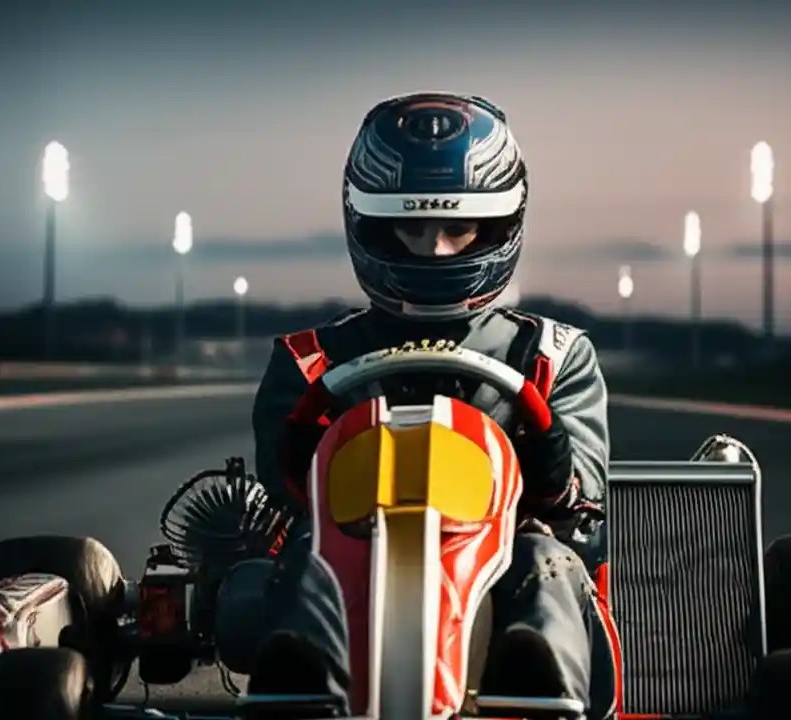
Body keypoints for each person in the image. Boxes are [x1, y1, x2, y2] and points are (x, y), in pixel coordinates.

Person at [246, 92, 618, 718]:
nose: (435, 251)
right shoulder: (311, 360)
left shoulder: (553, 356)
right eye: (411, 229)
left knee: (547, 556)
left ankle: (537, 688)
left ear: (499, 225)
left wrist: (551, 464)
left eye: (456, 228)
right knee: (307, 544)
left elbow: (584, 509)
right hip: (353, 555)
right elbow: (283, 487)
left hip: (501, 563)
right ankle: (300, 690)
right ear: (370, 225)